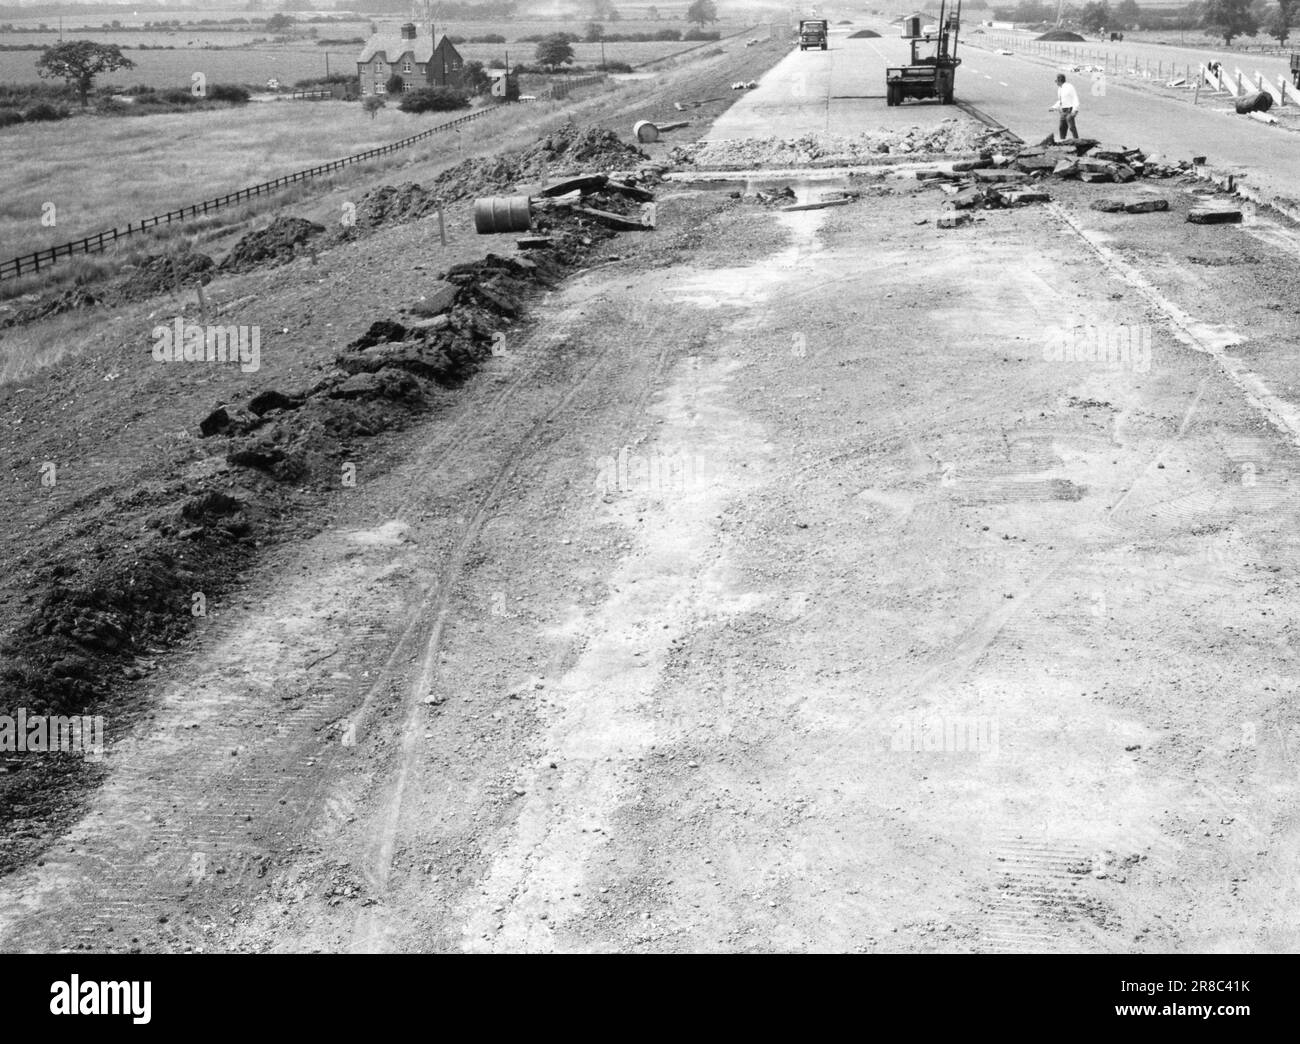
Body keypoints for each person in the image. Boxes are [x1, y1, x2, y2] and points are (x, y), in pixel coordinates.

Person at [1049, 73, 1081, 141]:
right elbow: (1061, 101)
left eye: (1056, 81)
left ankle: (1077, 140)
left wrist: (1075, 110)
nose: (1056, 83)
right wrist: (1054, 107)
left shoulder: (1069, 87)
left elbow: (1075, 98)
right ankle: (1062, 141)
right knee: (1062, 127)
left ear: (1059, 81)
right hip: (1063, 111)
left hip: (1070, 110)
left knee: (1071, 127)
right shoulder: (1060, 89)